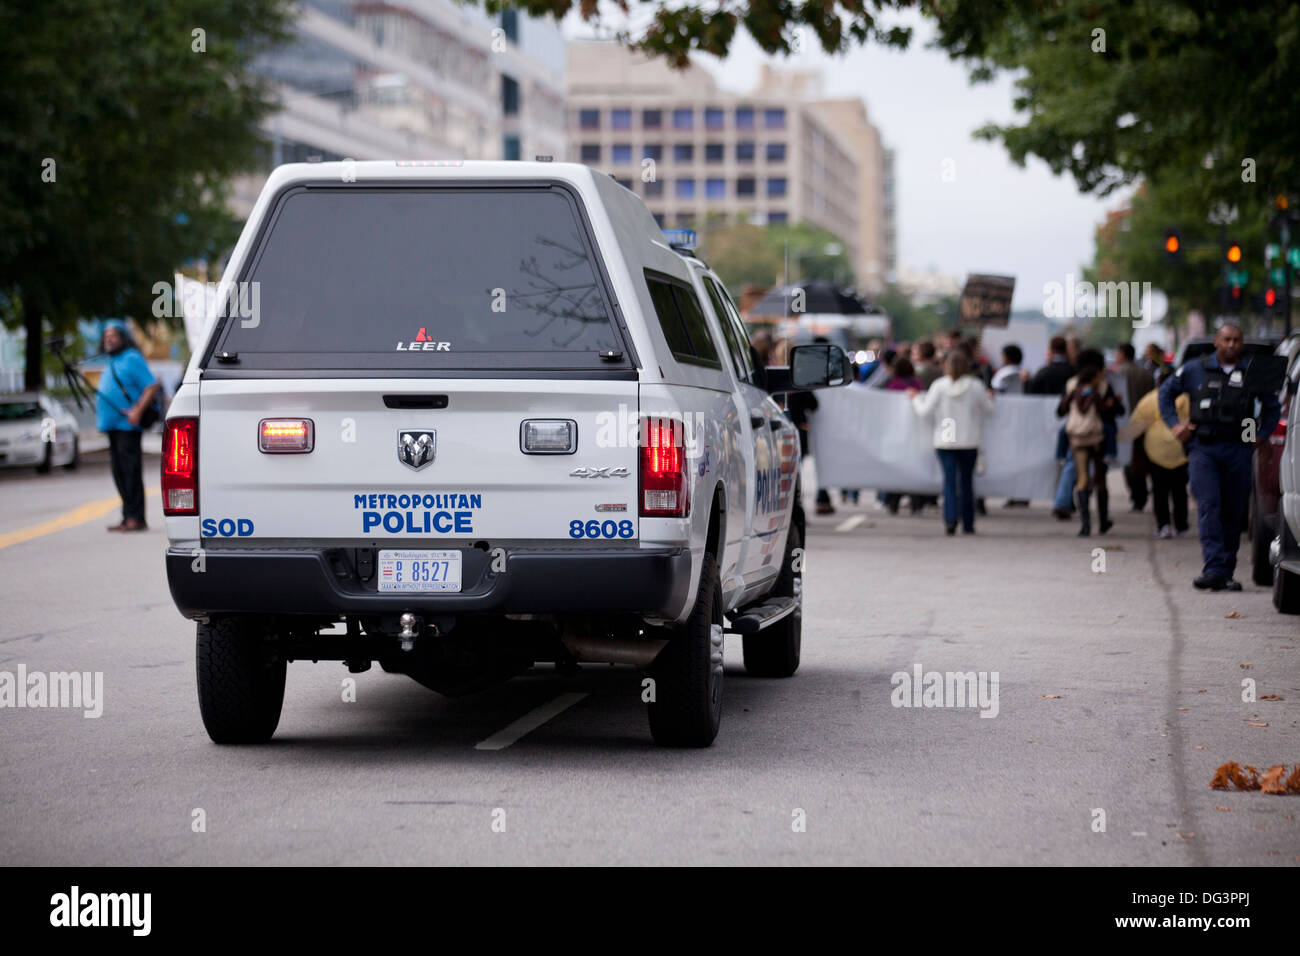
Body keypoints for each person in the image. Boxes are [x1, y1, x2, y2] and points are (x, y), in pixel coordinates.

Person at [1159, 323, 1281, 591]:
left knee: (1233, 511)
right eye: (1226, 339)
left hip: (1240, 447)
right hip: (1204, 447)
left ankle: (1226, 571)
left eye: (1236, 340)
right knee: (1209, 506)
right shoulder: (1195, 368)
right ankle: (1213, 568)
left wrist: (1260, 435)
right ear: (1216, 341)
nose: (1231, 345)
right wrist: (1176, 425)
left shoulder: (1253, 369)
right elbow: (1165, 393)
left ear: (1242, 342)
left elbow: (1271, 406)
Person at [908, 352, 995, 535]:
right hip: (968, 440)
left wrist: (915, 398)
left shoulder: (939, 386)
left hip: (946, 439)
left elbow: (924, 412)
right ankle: (968, 523)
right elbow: (989, 410)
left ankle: (950, 519)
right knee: (966, 482)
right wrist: (991, 397)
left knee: (949, 482)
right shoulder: (975, 386)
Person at [97, 320, 160, 532]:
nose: (108, 338)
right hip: (113, 426)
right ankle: (127, 517)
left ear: (123, 337)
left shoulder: (132, 357)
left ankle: (137, 518)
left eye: (113, 334)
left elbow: (151, 385)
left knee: (130, 471)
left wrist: (137, 410)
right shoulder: (112, 360)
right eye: (106, 335)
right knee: (119, 472)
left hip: (127, 425)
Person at [1058, 349, 1122, 536]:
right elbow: (1113, 412)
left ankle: (1085, 525)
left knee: (1082, 479)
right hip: (1097, 439)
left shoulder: (1071, 385)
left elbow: (1060, 411)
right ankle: (1102, 521)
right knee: (1100, 480)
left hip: (1077, 438)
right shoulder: (1102, 386)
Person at [1120, 387, 1190, 538]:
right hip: (1180, 450)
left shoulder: (1149, 400)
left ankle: (1163, 525)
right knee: (1180, 489)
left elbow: (1134, 427)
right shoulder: (1185, 399)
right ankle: (1181, 524)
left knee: (1160, 491)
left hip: (1156, 451)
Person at [1114, 343, 1156, 512]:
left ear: (1122, 354)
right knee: (1143, 458)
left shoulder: (1117, 374)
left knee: (1128, 461)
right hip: (1145, 421)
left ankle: (1137, 495)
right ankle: (1143, 493)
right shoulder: (1146, 374)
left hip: (1125, 423)